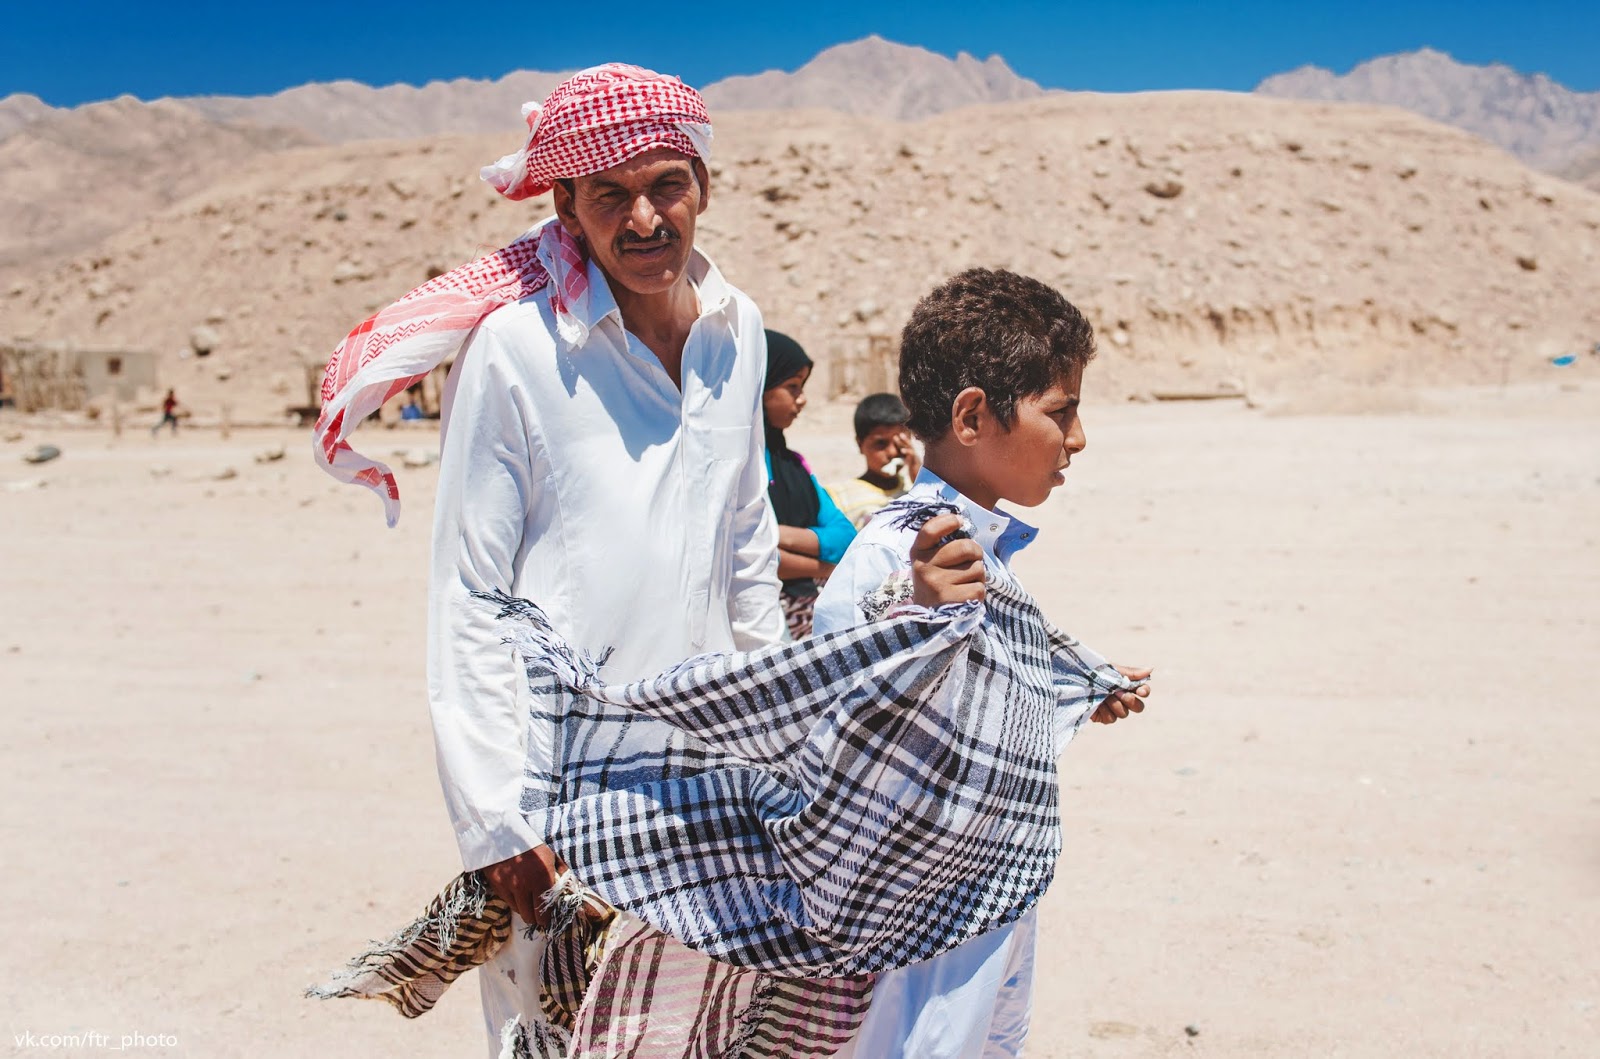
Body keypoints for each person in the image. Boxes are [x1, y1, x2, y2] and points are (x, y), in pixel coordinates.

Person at [310, 64, 786, 1055]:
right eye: (610, 195)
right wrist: (499, 825)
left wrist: (776, 740)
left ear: (703, 185)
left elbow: (745, 542)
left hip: (706, 779)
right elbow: (471, 590)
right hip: (559, 795)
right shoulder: (518, 349)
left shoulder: (736, 333)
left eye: (666, 185)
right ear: (566, 205)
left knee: (702, 1032)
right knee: (558, 1038)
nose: (644, 218)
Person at [813, 267, 1153, 1058]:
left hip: (986, 900)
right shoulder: (905, 551)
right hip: (920, 916)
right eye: (1060, 411)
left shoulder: (975, 546)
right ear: (973, 416)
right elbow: (842, 690)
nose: (1076, 437)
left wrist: (1069, 688)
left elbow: (979, 682)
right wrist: (917, 613)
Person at [762, 329, 856, 638]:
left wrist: (773, 533)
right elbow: (751, 558)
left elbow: (845, 538)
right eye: (792, 386)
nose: (802, 399)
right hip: (763, 616)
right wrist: (824, 568)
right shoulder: (739, 464)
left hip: (811, 609)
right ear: (760, 385)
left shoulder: (795, 464)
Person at [827, 392, 921, 527]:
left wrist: (920, 477)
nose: (892, 452)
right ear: (860, 444)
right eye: (881, 444)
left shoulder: (914, 488)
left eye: (899, 443)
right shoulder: (839, 497)